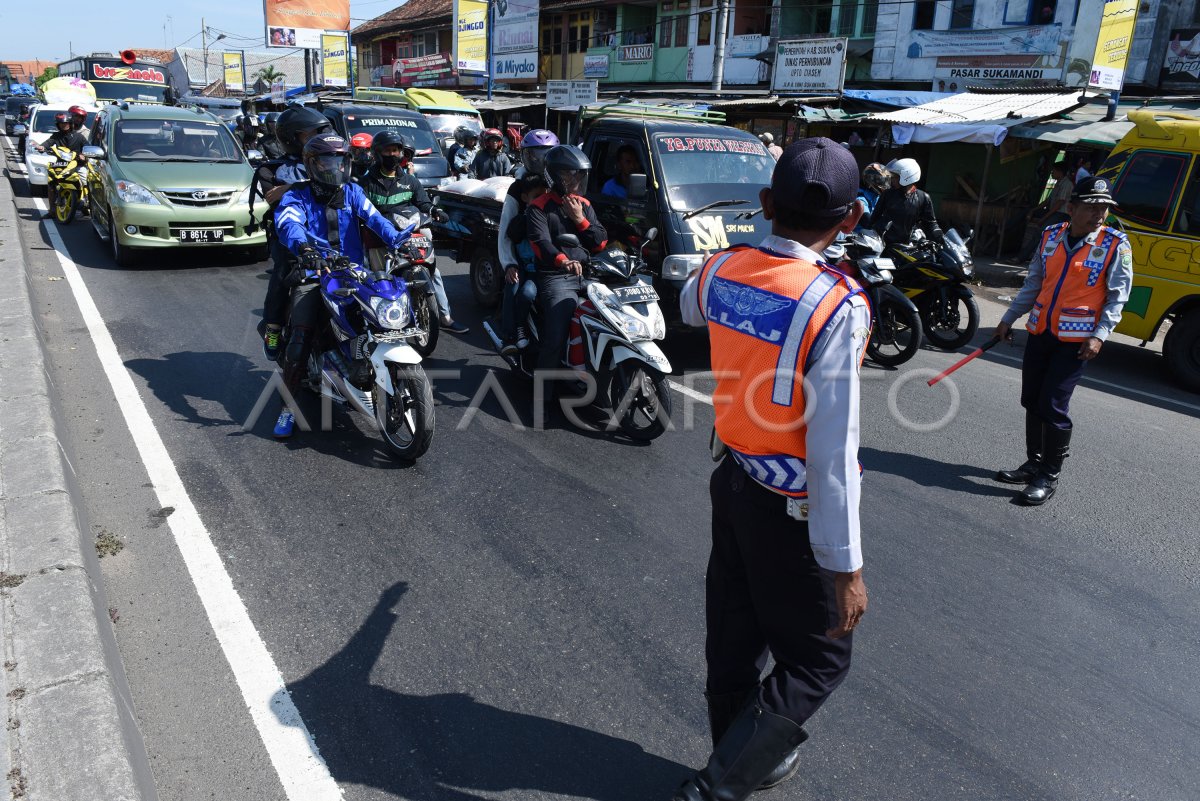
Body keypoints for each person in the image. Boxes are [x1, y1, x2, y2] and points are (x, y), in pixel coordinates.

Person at [672, 137, 870, 801]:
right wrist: (845, 570)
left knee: (734, 628)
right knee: (819, 657)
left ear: (764, 203)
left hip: (733, 483)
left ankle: (737, 750)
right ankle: (720, 784)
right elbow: (833, 449)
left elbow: (687, 307)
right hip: (790, 508)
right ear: (852, 219)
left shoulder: (723, 269)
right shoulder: (836, 303)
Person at [993, 176, 1133, 505]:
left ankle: (1048, 475)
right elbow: (1034, 283)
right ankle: (1033, 463)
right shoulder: (1051, 236)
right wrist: (1008, 318)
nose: (1100, 213)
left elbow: (1117, 299)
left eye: (1105, 208)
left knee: (1054, 405)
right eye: (1092, 207)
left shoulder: (1115, 245)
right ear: (1071, 208)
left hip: (1076, 341)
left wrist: (1100, 336)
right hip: (1041, 331)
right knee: (1032, 399)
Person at [272, 133, 411, 438]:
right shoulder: (298, 196)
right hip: (314, 273)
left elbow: (376, 220)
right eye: (326, 162)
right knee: (301, 337)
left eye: (339, 161)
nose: (334, 169)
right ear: (312, 165)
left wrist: (402, 241)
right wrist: (305, 249)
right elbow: (289, 223)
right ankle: (287, 409)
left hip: (353, 273)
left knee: (380, 319)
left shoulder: (353, 192)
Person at [525, 145, 608, 424]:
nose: (573, 181)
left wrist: (580, 220)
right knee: (555, 335)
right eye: (568, 175)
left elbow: (599, 242)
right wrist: (562, 261)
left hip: (589, 275)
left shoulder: (584, 206)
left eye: (577, 176)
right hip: (556, 277)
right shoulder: (538, 208)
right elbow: (541, 244)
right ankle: (541, 400)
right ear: (553, 176)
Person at [357, 131, 464, 333]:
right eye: (387, 150)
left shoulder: (410, 181)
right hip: (379, 239)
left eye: (395, 150)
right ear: (377, 153)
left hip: (408, 232)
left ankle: (445, 317)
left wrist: (435, 211)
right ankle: (381, 320)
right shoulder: (365, 183)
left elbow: (423, 202)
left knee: (434, 273)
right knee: (379, 278)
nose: (392, 154)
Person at [258, 105, 333, 362]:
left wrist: (292, 186)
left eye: (320, 133)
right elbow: (273, 198)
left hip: (331, 236)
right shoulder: (271, 170)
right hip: (292, 242)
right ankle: (273, 327)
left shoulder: (329, 159)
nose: (317, 139)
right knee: (281, 276)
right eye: (309, 135)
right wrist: (295, 186)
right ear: (291, 138)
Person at [498, 128, 560, 352]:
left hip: (553, 258)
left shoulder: (559, 183)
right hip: (526, 258)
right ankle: (509, 335)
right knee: (514, 287)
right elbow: (506, 229)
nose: (540, 160)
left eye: (546, 154)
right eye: (534, 155)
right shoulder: (518, 188)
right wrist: (509, 263)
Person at [872, 157, 943, 245]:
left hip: (909, 246)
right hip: (885, 244)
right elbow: (874, 219)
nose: (892, 180)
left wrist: (940, 236)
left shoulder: (923, 197)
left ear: (907, 177)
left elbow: (931, 223)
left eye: (895, 177)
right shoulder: (888, 194)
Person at [1019, 162, 1073, 261]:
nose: (1052, 173)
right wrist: (1033, 210)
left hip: (1061, 214)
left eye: (1054, 171)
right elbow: (1047, 201)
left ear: (1060, 172)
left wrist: (1044, 219)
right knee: (1025, 211)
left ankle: (1021, 258)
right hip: (1052, 211)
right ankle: (1006, 228)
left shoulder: (1066, 184)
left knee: (1041, 232)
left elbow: (1059, 204)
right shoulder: (1058, 183)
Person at [42, 112, 89, 220]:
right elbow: (47, 143)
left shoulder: (79, 136)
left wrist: (83, 155)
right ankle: (52, 211)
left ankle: (87, 206)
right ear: (58, 125)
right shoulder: (56, 136)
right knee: (51, 184)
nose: (64, 125)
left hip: (78, 165)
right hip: (60, 165)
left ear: (71, 124)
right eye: (61, 124)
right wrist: (41, 147)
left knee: (86, 180)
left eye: (66, 123)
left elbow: (87, 147)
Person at [855, 162, 891, 231]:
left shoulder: (876, 196)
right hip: (856, 237)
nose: (884, 185)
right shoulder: (861, 199)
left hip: (871, 237)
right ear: (870, 179)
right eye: (881, 181)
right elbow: (867, 222)